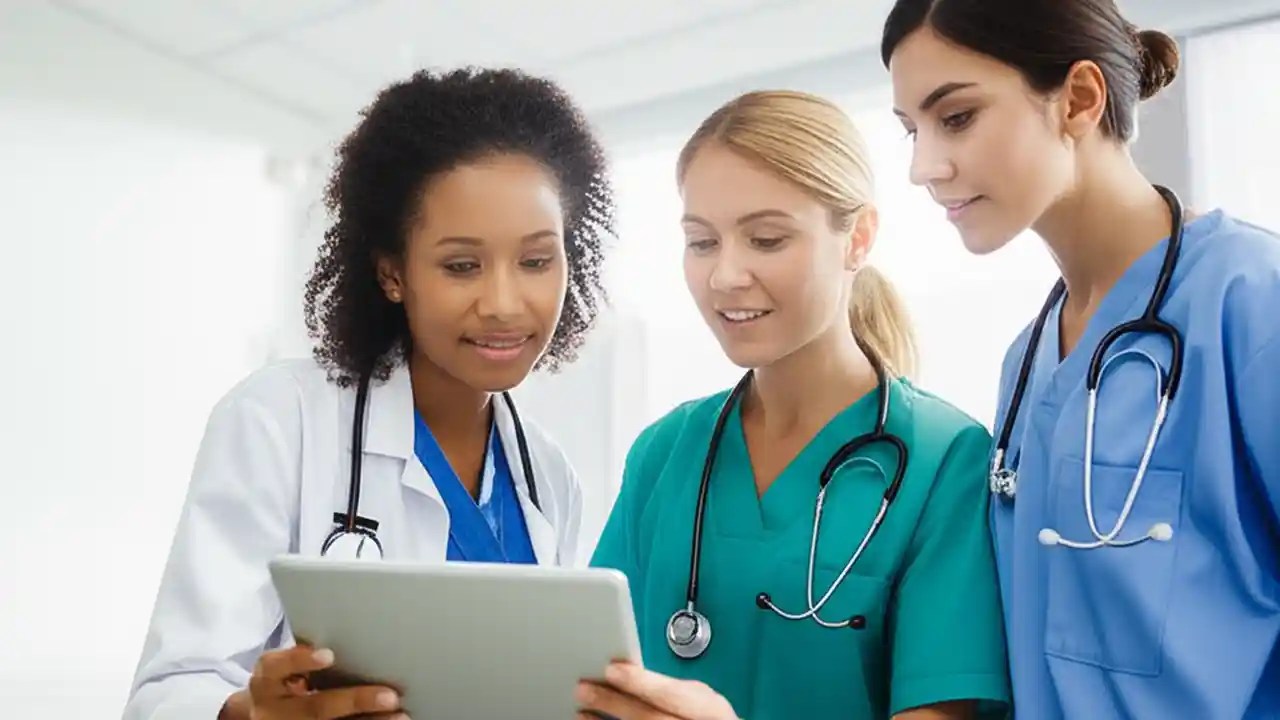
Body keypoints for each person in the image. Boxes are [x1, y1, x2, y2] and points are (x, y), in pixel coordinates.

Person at [122, 67, 616, 720]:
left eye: (535, 261)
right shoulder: (279, 421)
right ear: (392, 274)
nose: (504, 303)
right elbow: (164, 696)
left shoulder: (548, 479)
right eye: (461, 265)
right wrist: (251, 713)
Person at [881, 1, 1280, 718]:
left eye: (957, 118)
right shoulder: (1028, 360)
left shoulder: (1251, 303)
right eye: (912, 130)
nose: (923, 166)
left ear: (1080, 98)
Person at [579, 90, 1010, 720]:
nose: (725, 275)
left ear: (857, 238)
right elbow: (591, 686)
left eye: (766, 239)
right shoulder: (665, 453)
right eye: (702, 242)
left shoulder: (946, 459)